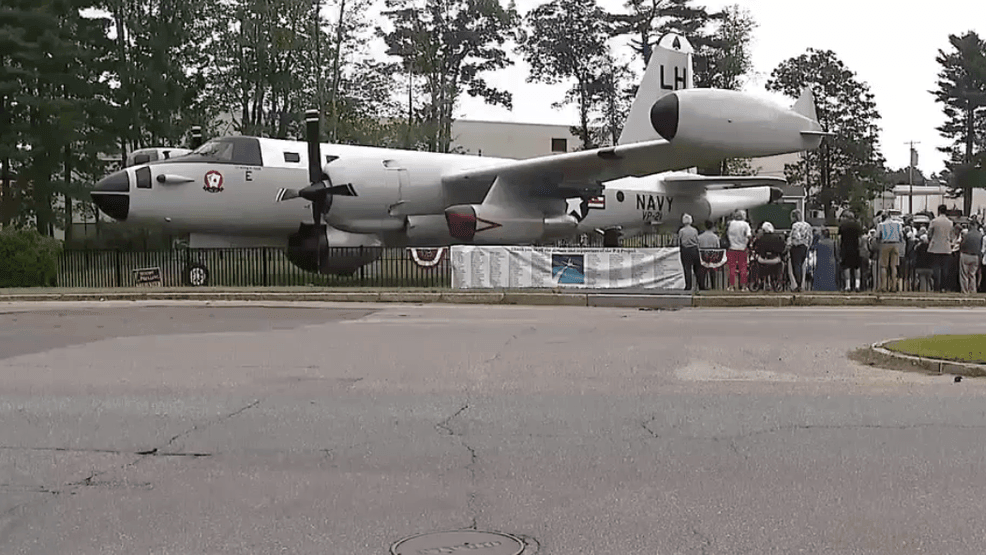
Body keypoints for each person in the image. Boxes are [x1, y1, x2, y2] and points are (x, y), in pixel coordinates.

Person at [927, 204, 953, 292]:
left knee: (936, 268)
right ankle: (944, 287)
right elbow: (951, 235)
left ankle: (936, 287)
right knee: (945, 269)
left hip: (935, 247)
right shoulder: (950, 222)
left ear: (938, 211)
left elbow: (929, 234)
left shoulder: (934, 221)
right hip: (946, 247)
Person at [876, 211, 904, 292]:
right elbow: (901, 235)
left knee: (883, 266)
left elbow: (878, 236)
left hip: (885, 244)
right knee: (894, 266)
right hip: (895, 244)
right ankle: (894, 286)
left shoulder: (881, 225)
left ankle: (883, 286)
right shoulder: (898, 224)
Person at [726, 210, 752, 291]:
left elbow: (726, 234)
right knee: (743, 267)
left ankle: (731, 286)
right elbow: (748, 235)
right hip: (742, 248)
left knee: (732, 268)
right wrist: (745, 243)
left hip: (732, 248)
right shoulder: (745, 224)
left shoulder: (730, 224)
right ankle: (743, 286)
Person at [754, 221, 786, 287]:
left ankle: (760, 280)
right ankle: (778, 281)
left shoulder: (760, 239)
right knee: (781, 263)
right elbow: (781, 249)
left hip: (763, 259)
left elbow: (757, 249)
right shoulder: (777, 238)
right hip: (774, 260)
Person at [838, 211, 863, 292]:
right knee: (856, 267)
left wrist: (840, 247)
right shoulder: (857, 226)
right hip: (855, 248)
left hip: (845, 248)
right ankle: (857, 285)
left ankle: (847, 286)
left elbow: (839, 238)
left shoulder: (843, 226)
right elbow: (860, 239)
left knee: (846, 267)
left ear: (846, 217)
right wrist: (859, 246)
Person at [788, 210, 812, 292]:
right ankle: (802, 284)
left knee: (796, 265)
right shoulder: (807, 225)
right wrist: (808, 245)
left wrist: (791, 244)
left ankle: (797, 284)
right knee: (802, 265)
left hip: (797, 246)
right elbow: (810, 237)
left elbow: (795, 236)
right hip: (804, 247)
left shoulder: (795, 225)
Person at [677, 213, 701, 291]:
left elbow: (679, 241)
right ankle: (700, 285)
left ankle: (688, 286)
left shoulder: (681, 231)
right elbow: (697, 241)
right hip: (694, 249)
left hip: (685, 250)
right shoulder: (694, 230)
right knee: (697, 268)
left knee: (687, 268)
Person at [959, 221, 983, 294]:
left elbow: (962, 244)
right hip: (976, 256)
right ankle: (972, 290)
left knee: (964, 274)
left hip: (966, 254)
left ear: (971, 225)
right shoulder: (980, 235)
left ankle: (965, 290)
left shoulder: (967, 235)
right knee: (972, 274)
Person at [697, 220, 722, 290]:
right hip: (712, 254)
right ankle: (713, 285)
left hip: (703, 254)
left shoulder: (700, 237)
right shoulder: (715, 237)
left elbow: (697, 246)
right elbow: (718, 247)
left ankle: (702, 285)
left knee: (703, 271)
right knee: (712, 271)